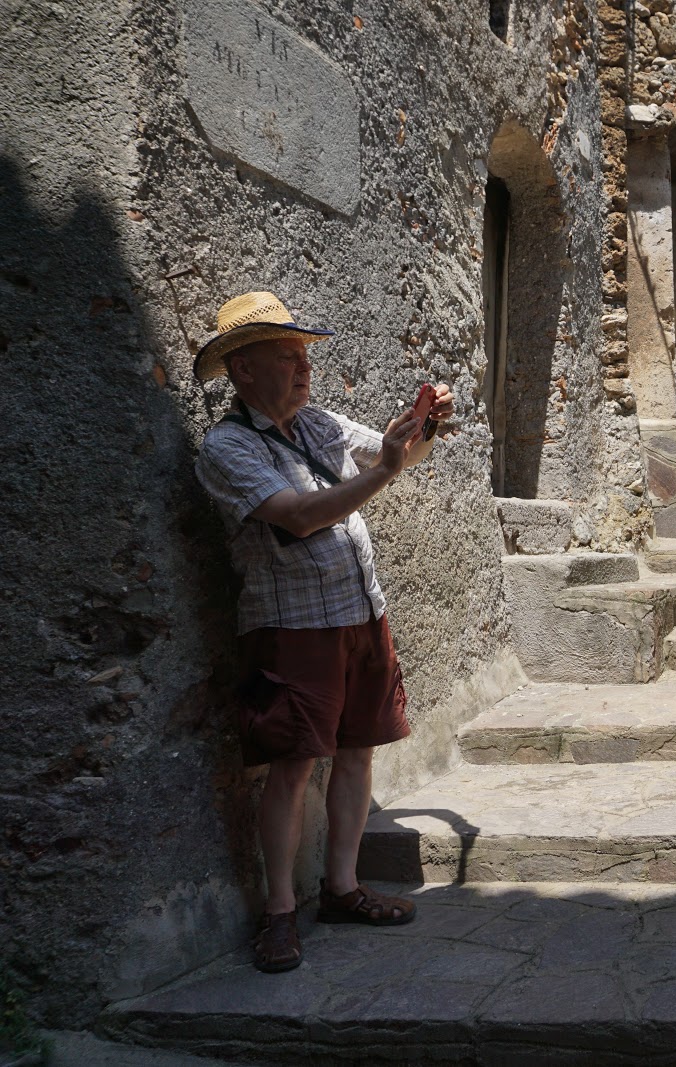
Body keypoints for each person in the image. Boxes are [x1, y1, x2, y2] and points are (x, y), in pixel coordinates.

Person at [193, 291, 455, 969]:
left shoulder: (318, 423)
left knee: (360, 750)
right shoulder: (224, 448)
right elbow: (298, 516)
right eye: (285, 355)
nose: (302, 366)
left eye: (304, 352)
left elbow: (393, 452)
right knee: (289, 768)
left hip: (361, 613)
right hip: (292, 626)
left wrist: (420, 426)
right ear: (242, 369)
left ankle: (341, 887)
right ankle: (280, 911)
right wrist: (389, 469)